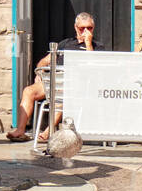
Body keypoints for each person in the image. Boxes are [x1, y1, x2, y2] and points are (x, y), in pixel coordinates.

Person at [6, 12, 95, 141]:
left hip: (75, 86)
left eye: (89, 28)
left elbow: (92, 65)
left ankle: (48, 131)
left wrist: (88, 44)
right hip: (55, 81)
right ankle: (20, 130)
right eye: (82, 28)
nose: (86, 31)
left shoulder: (96, 46)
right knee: (28, 91)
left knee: (60, 96)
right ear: (76, 27)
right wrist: (40, 73)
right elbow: (44, 61)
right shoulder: (65, 44)